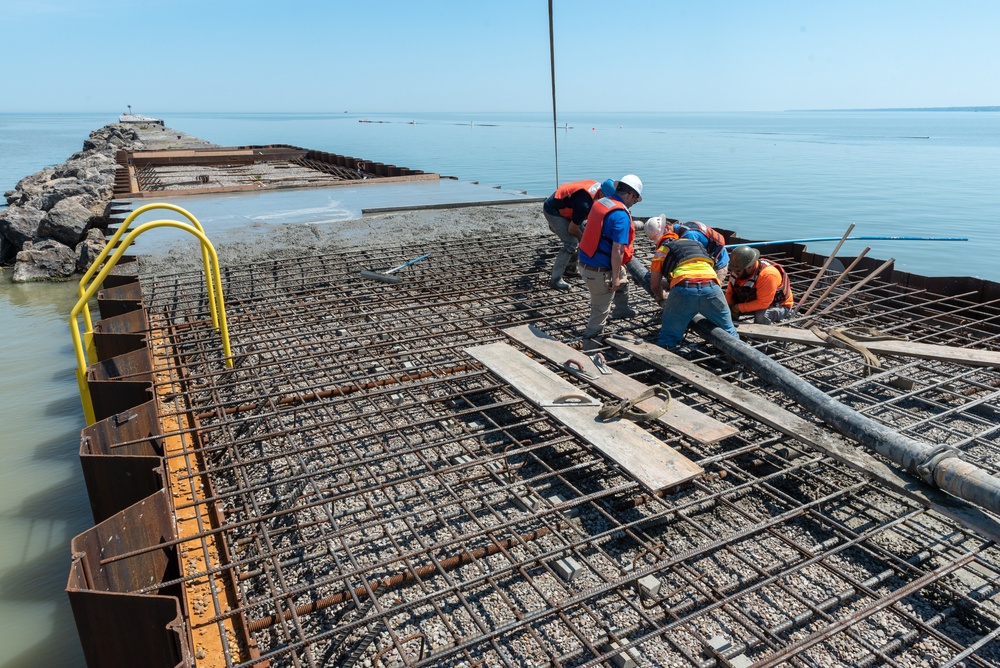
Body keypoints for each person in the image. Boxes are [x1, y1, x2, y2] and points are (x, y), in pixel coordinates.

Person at [577, 174, 643, 338]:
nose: (633, 204)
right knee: (599, 312)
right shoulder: (621, 216)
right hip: (598, 271)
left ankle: (622, 309)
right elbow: (618, 250)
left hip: (585, 261)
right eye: (635, 200)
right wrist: (614, 278)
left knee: (623, 278)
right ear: (630, 195)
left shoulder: (602, 202)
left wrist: (618, 275)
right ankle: (590, 343)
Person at [648, 229, 738, 348]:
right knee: (729, 330)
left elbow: (654, 285)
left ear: (660, 243)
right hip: (712, 286)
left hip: (684, 289)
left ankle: (667, 351)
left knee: (669, 336)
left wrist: (661, 296)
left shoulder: (662, 251)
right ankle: (739, 355)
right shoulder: (697, 245)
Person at [541, 179, 608, 290]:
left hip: (570, 208)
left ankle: (570, 268)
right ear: (601, 194)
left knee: (581, 236)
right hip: (553, 210)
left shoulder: (598, 190)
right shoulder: (584, 205)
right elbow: (573, 229)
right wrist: (584, 240)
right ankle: (555, 279)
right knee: (571, 242)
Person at [644, 215, 730, 284]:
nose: (664, 240)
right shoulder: (677, 229)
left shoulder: (689, 236)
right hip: (706, 259)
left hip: (718, 263)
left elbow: (693, 263)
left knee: (711, 290)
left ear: (666, 228)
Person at [726, 246, 795, 324]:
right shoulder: (737, 270)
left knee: (761, 316)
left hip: (777, 305)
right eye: (732, 269)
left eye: (737, 271)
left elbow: (763, 303)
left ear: (750, 267)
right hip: (754, 300)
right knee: (725, 308)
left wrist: (738, 308)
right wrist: (728, 307)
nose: (734, 273)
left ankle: (761, 330)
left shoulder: (767, 274)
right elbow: (730, 293)